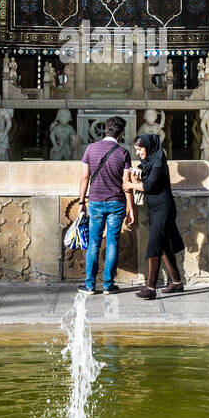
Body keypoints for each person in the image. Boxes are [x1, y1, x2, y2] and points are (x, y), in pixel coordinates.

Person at [77, 116, 135, 295]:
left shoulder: (90, 149)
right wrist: (131, 209)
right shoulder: (123, 153)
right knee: (112, 243)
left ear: (105, 130)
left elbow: (85, 177)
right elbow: (126, 183)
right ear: (121, 134)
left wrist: (81, 202)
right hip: (116, 203)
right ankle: (108, 285)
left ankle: (89, 285)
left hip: (94, 202)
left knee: (93, 243)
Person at [129, 132, 184, 300]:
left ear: (149, 147)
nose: (138, 153)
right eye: (136, 150)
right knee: (164, 245)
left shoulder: (158, 162)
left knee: (154, 244)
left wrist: (130, 184)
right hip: (155, 208)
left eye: (140, 149)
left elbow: (151, 185)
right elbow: (146, 177)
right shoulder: (150, 162)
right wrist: (138, 174)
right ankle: (176, 282)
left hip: (163, 208)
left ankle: (151, 287)